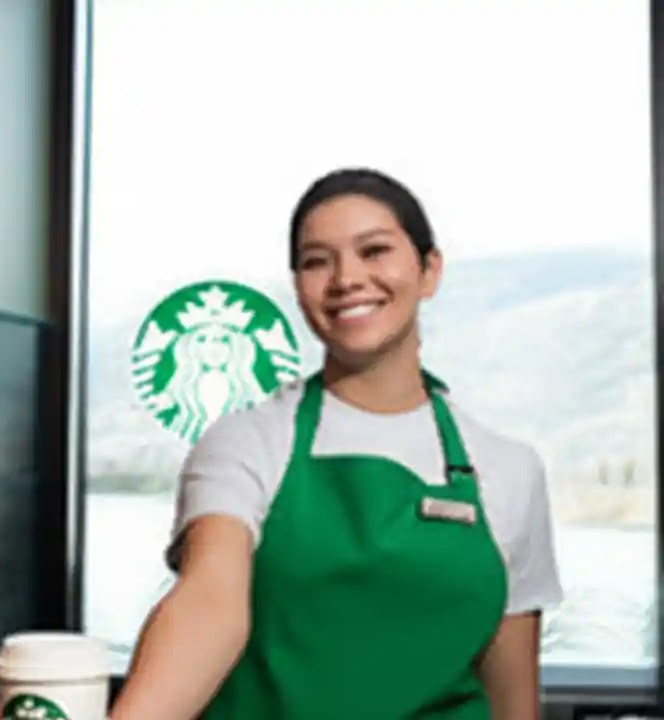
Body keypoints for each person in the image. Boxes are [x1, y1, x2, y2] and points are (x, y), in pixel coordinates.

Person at [106, 168, 564, 719]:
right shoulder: (249, 442)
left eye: (374, 251)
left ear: (429, 270)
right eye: (316, 261)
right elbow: (211, 605)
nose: (347, 278)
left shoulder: (508, 469)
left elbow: (513, 701)